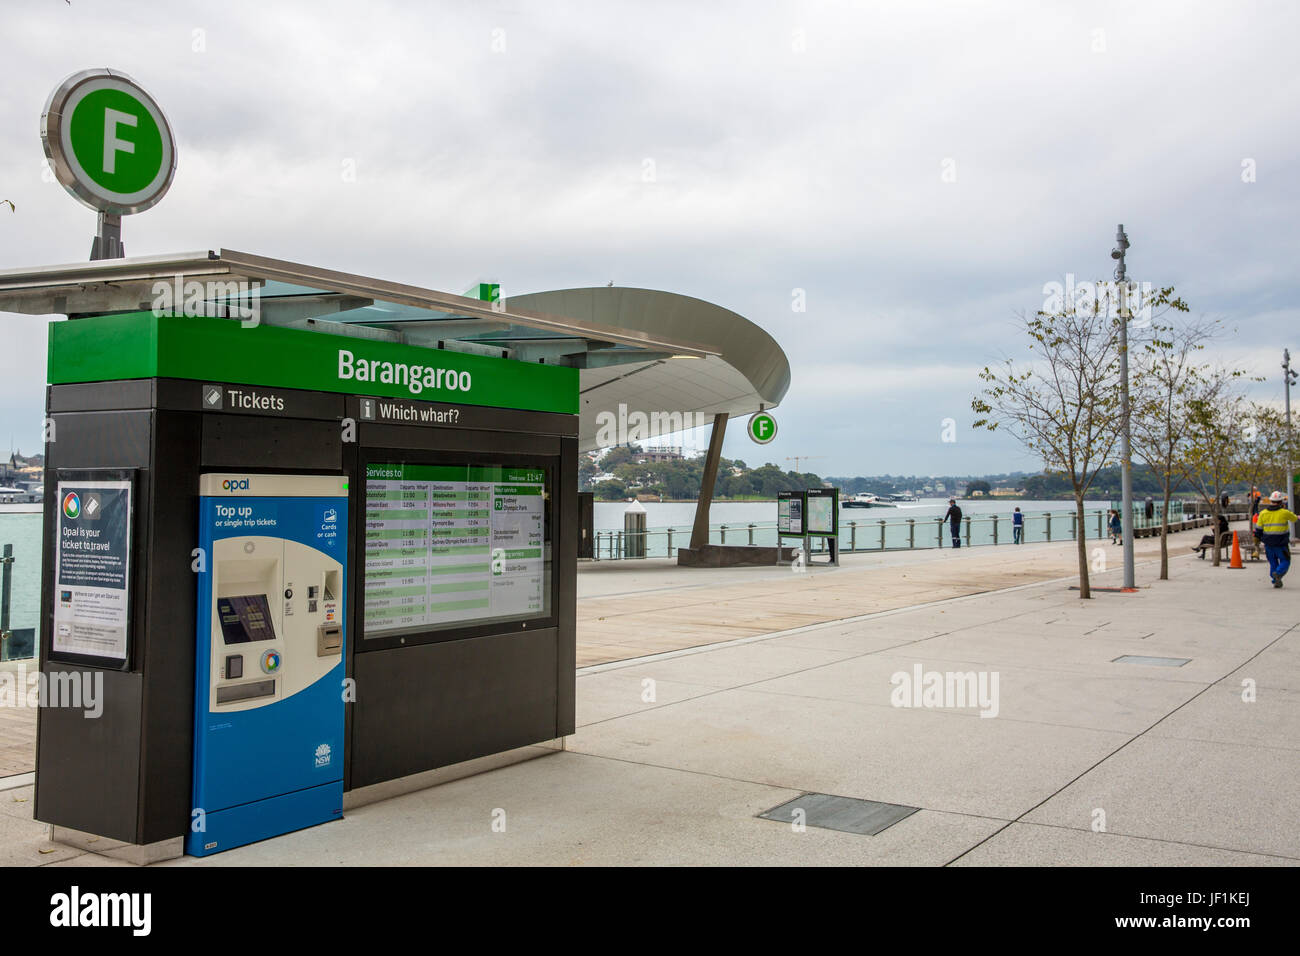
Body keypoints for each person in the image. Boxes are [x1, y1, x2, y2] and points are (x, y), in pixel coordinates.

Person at [1252, 491, 1298, 588]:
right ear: (1281, 501)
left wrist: (1257, 542)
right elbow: (1294, 519)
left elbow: (1258, 530)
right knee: (1285, 561)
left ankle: (1275, 580)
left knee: (1273, 562)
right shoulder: (1285, 512)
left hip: (1268, 544)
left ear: (1271, 501)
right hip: (1281, 544)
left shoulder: (1263, 514)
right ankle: (1278, 573)